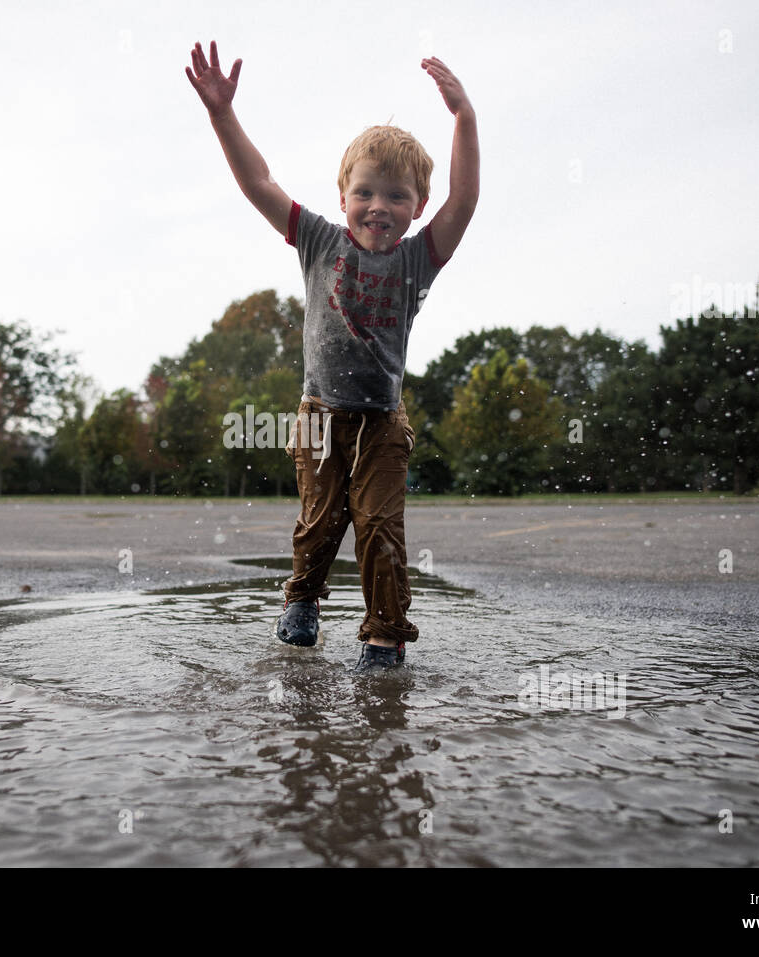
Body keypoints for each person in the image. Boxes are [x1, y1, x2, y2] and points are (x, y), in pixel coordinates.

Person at [186, 40, 479, 672]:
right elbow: (258, 182)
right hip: (318, 415)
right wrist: (221, 114)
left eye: (398, 196)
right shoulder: (318, 241)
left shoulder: (415, 259)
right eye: (366, 192)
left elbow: (464, 202)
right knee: (319, 525)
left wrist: (463, 118)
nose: (380, 206)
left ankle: (383, 634)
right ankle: (303, 598)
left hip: (381, 422)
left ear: (416, 207)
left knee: (377, 526)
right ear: (343, 195)